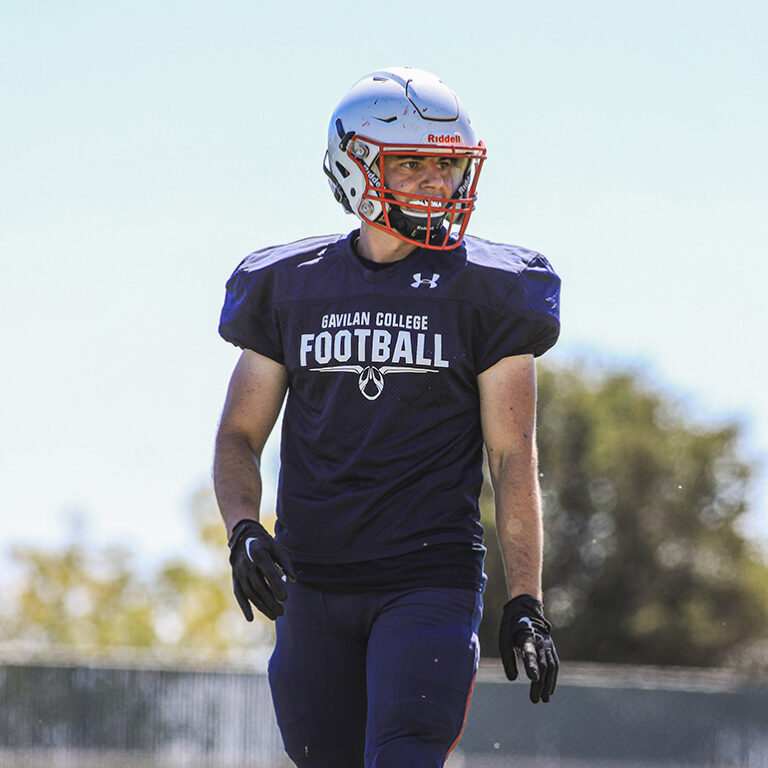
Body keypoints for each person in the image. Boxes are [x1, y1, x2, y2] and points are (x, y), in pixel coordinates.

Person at [213, 66, 561, 768]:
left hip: (425, 581)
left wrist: (525, 597)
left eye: (447, 163)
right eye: (413, 162)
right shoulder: (290, 285)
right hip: (311, 583)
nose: (437, 183)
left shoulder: (491, 289)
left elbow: (511, 458)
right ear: (354, 164)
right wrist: (243, 529)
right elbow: (239, 436)